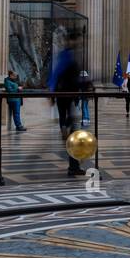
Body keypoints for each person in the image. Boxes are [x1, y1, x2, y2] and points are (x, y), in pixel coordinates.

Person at [52, 41, 85, 177]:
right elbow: (73, 81)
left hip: (68, 100)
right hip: (69, 101)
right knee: (74, 136)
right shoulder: (69, 61)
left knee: (74, 135)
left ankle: (74, 166)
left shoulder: (65, 61)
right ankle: (73, 167)